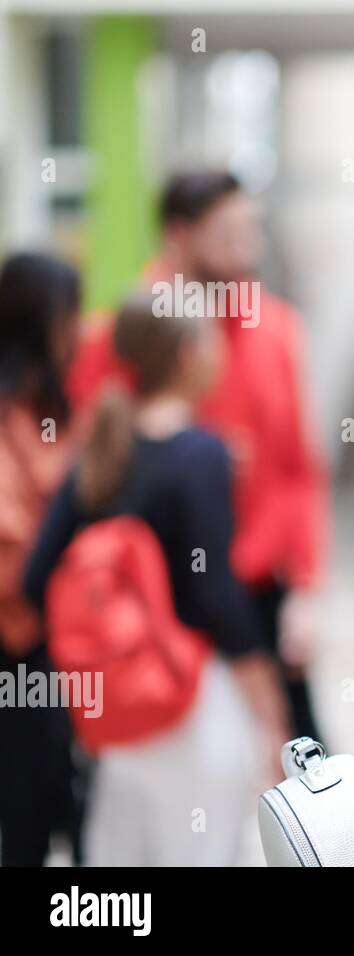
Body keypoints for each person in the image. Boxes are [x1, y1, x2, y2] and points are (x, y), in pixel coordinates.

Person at [24, 293, 291, 866]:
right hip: (192, 699)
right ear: (190, 354)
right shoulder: (199, 453)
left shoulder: (97, 452)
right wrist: (270, 711)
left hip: (114, 712)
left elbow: (37, 577)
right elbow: (217, 597)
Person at [66, 171, 330, 745]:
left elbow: (297, 469)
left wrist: (306, 587)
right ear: (178, 235)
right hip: (152, 604)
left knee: (306, 784)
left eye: (250, 230)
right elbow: (86, 467)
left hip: (256, 594)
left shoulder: (276, 330)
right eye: (228, 233)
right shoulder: (119, 337)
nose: (248, 249)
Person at [0, 253, 85, 866]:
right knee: (30, 814)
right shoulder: (12, 415)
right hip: (23, 641)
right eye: (67, 317)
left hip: (55, 638)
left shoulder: (50, 404)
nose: (76, 333)